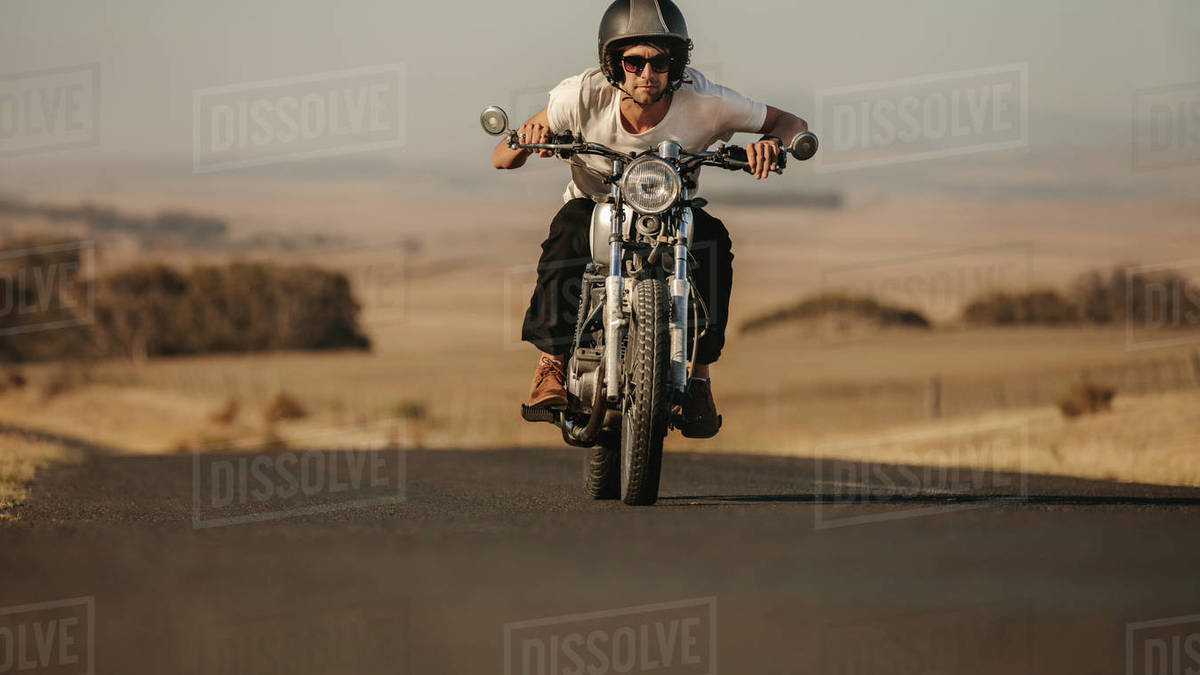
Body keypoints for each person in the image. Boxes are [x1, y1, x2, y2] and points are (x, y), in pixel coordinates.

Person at [491, 0, 809, 439]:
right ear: (613, 64)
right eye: (634, 61)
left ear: (675, 64)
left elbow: (791, 122)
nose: (647, 72)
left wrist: (771, 142)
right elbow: (502, 157)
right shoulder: (579, 97)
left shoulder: (707, 101)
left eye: (660, 61)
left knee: (714, 242)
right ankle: (551, 366)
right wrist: (529, 139)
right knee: (566, 232)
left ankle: (698, 377)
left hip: (671, 210)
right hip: (595, 204)